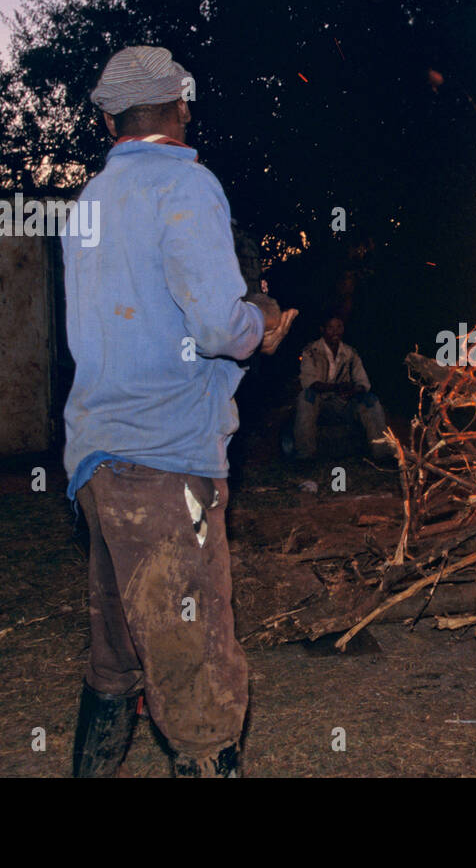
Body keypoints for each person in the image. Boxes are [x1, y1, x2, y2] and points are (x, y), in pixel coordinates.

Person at [63, 46, 297, 778]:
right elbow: (217, 330)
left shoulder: (89, 202)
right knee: (195, 664)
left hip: (98, 458)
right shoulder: (187, 188)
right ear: (182, 105)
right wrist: (261, 320)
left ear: (108, 119)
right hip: (167, 462)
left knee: (119, 652)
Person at [293, 316, 389, 462]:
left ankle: (382, 453)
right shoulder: (311, 351)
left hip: (343, 404)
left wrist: (353, 391)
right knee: (306, 397)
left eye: (339, 327)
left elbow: (363, 382)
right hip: (321, 404)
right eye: (330, 328)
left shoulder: (350, 353)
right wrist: (337, 387)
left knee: (371, 400)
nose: (335, 332)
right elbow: (310, 383)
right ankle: (305, 454)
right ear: (322, 330)